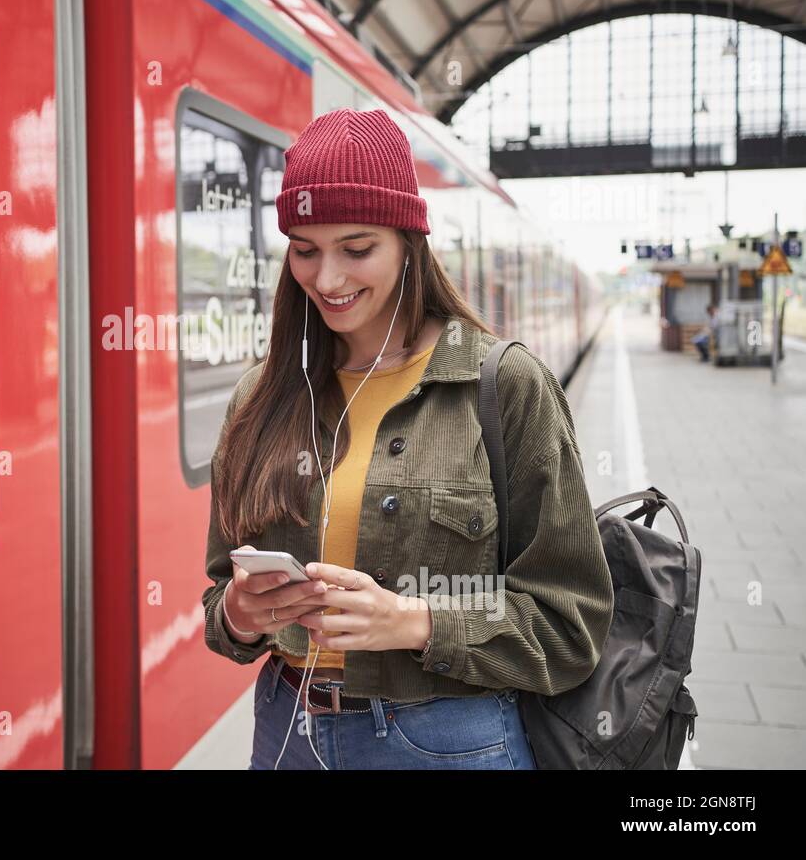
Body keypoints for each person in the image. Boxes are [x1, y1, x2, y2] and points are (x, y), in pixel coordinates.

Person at [200, 108, 614, 770]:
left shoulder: (503, 384)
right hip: (286, 729)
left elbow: (574, 622)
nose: (327, 279)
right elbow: (220, 602)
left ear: (408, 240)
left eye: (356, 248)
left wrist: (415, 621)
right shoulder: (263, 395)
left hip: (444, 739)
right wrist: (242, 615)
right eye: (304, 249)